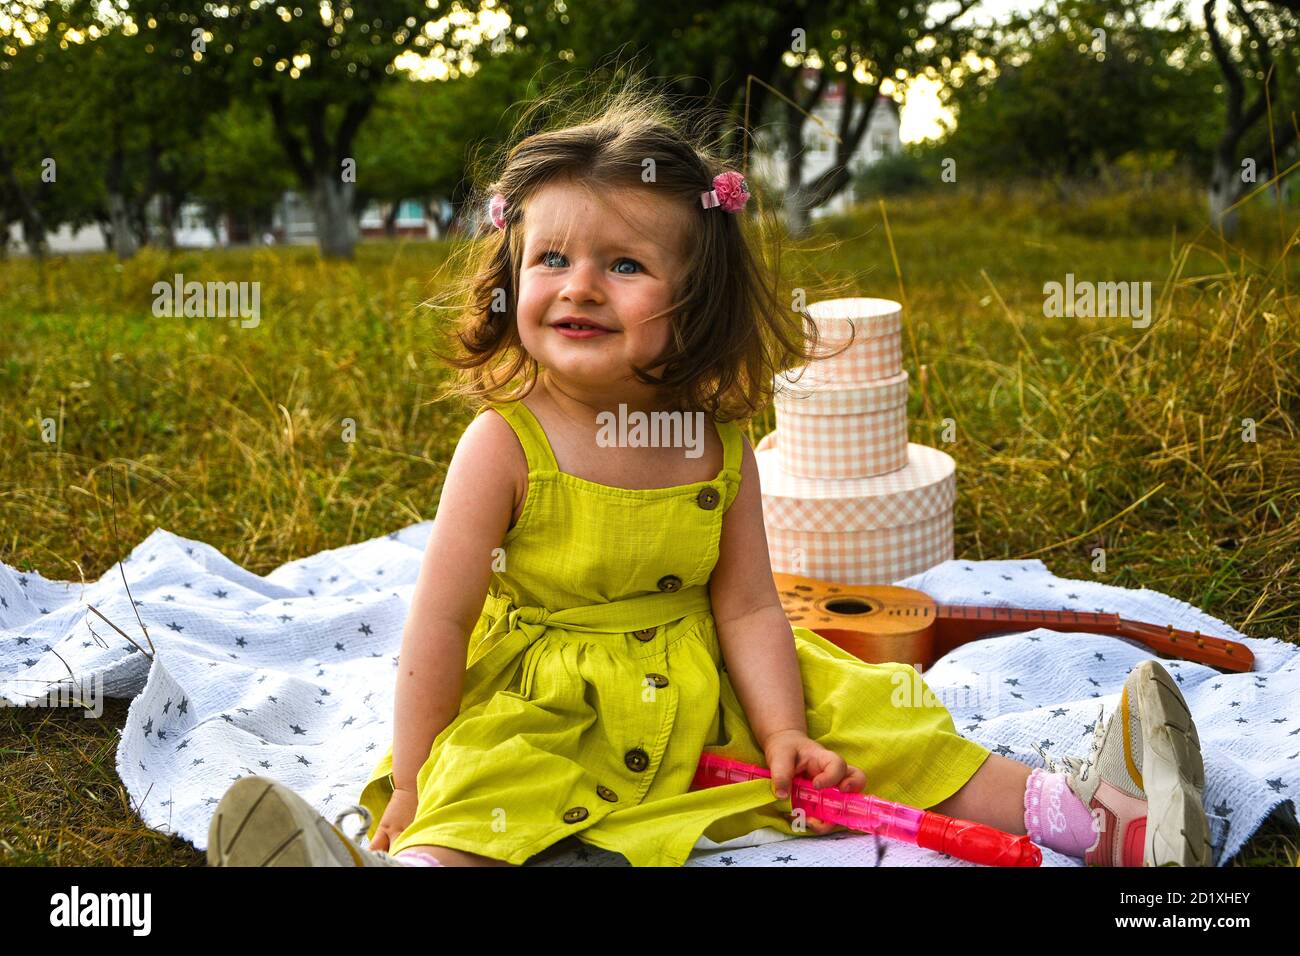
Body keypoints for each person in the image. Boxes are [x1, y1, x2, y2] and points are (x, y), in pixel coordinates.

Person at [206, 84, 1210, 869]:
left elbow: (747, 609)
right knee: (492, 781)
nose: (580, 284)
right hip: (550, 691)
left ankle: (1097, 817)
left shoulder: (715, 443)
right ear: (512, 277)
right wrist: (418, 771)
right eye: (549, 256)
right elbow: (439, 621)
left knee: (877, 718)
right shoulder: (505, 442)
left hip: (707, 681)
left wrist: (782, 728)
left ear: (695, 300)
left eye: (625, 265)